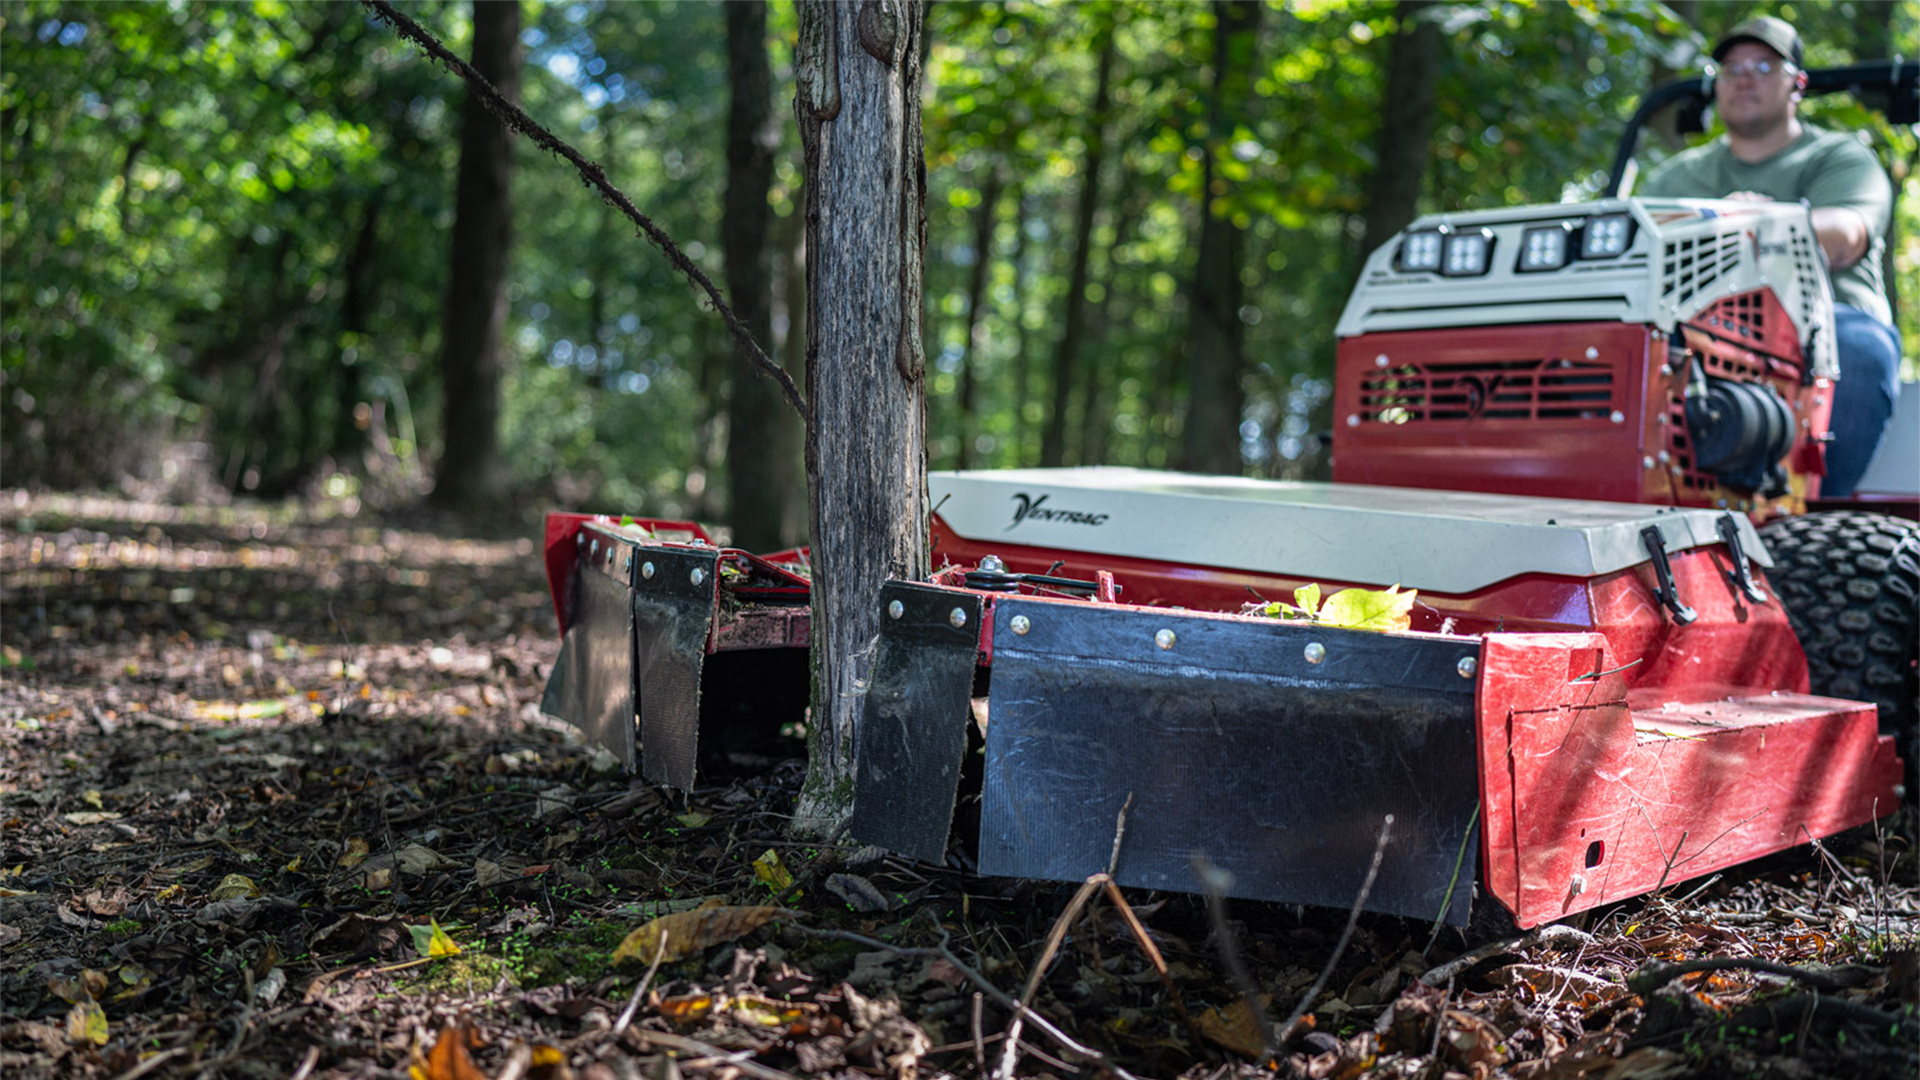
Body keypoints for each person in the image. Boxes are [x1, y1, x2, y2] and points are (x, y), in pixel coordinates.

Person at [1638, 15, 1903, 497]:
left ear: (1796, 84)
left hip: (1817, 328)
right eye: (1731, 68)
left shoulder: (1839, 158)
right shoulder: (1677, 177)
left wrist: (1760, 224)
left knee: (1862, 348)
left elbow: (1845, 233)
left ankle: (1815, 523)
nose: (1744, 77)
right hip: (1696, 327)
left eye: (1764, 65)